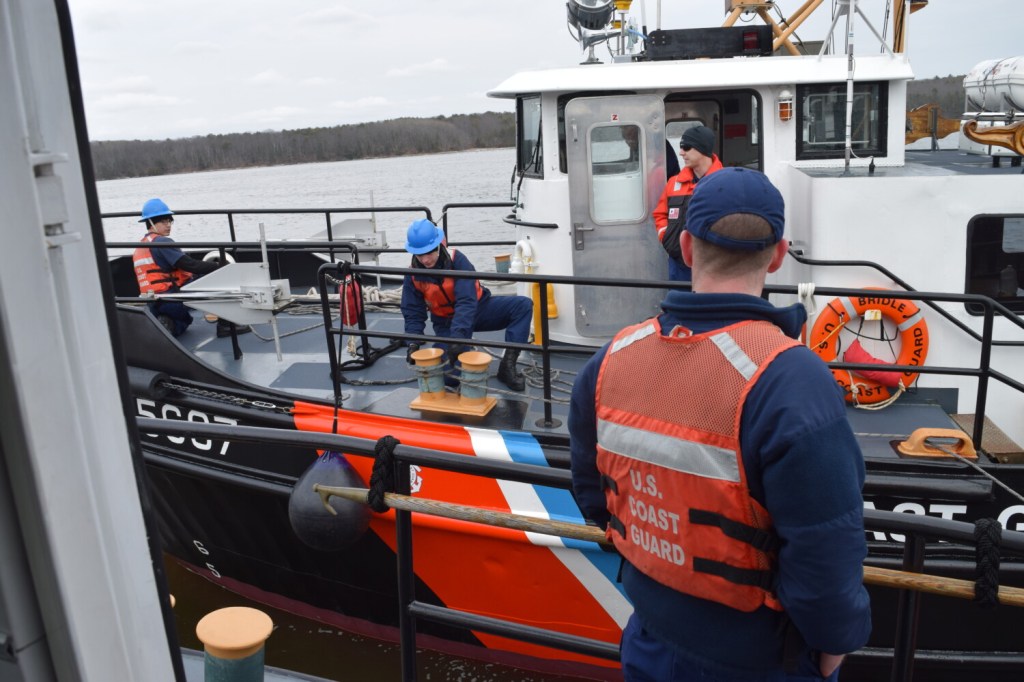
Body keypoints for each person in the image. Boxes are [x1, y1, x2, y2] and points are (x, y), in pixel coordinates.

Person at [569, 168, 871, 681]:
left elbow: (594, 495)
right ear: (778, 253)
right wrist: (833, 645)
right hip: (759, 659)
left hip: (648, 638)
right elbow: (826, 547)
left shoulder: (609, 361)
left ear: (685, 247)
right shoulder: (790, 378)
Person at [400, 219, 533, 391]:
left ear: (439, 245)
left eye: (430, 252)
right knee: (451, 378)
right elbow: (412, 311)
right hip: (446, 321)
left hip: (478, 310)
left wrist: (458, 338)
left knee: (523, 306)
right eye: (420, 255)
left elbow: (466, 301)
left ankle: (507, 366)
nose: (425, 260)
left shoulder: (458, 261)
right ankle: (460, 349)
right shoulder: (412, 275)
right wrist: (413, 343)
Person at [132, 198, 245, 337]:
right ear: (150, 223)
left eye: (170, 221)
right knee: (219, 277)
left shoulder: (140, 246)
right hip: (172, 297)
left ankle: (167, 323)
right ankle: (226, 326)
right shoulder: (162, 242)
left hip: (154, 302)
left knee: (184, 322)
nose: (168, 225)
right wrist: (220, 266)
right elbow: (190, 265)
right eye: (163, 222)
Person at [652, 125, 724, 282]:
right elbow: (660, 214)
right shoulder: (674, 183)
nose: (681, 152)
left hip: (715, 267)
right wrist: (667, 238)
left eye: (686, 147)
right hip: (679, 267)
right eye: (681, 147)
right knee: (679, 305)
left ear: (702, 149)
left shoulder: (726, 183)